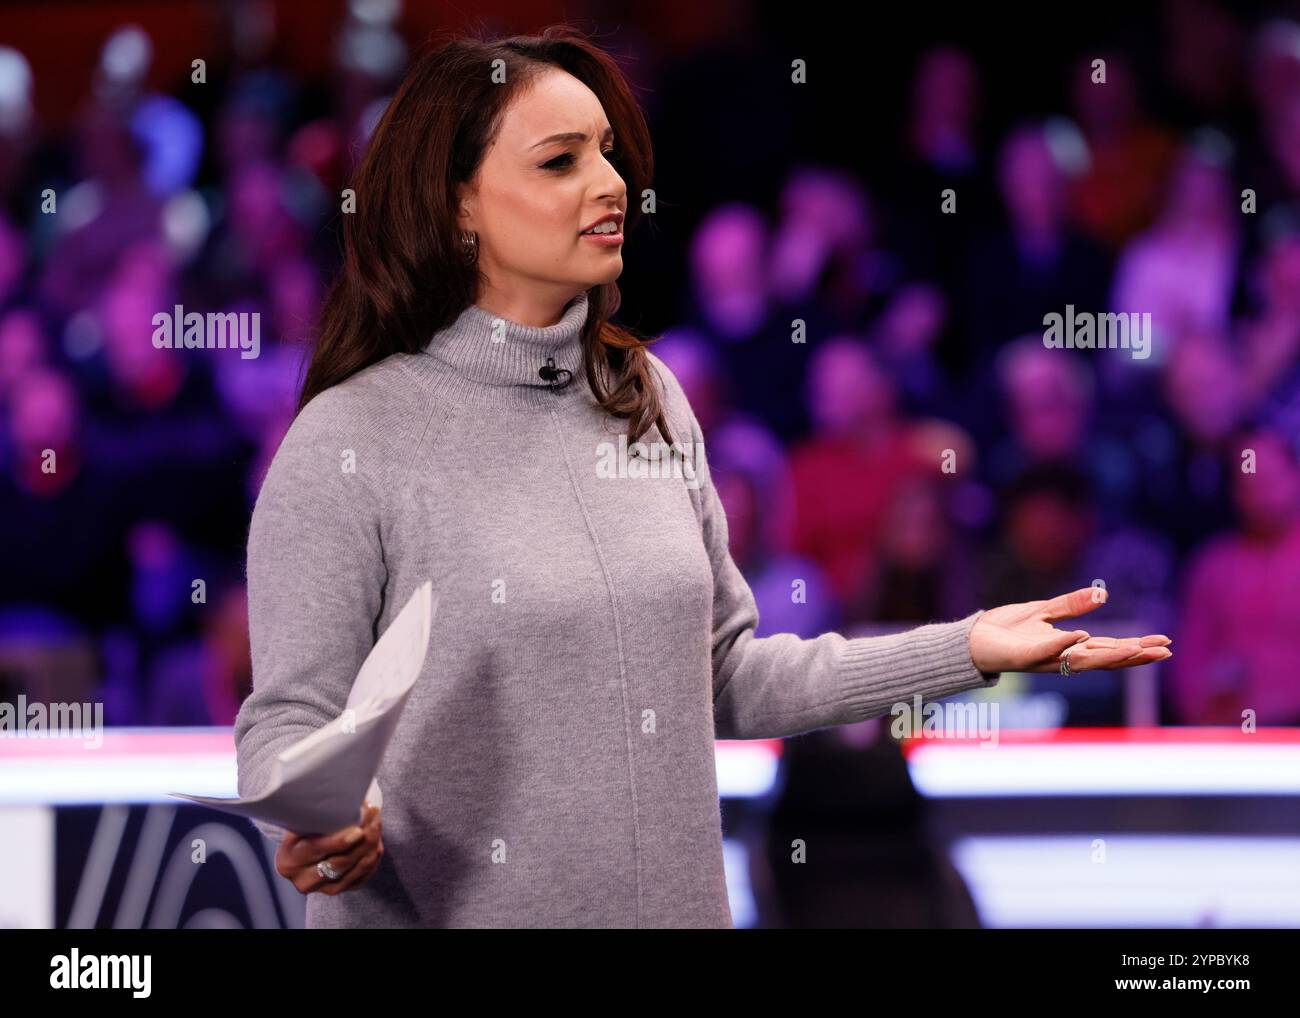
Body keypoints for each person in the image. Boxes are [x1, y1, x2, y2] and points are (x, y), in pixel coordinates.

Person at [233, 26, 1173, 929]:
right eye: (561, 161)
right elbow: (285, 726)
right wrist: (322, 815)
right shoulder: (350, 439)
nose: (611, 184)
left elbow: (725, 677)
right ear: (457, 205)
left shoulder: (646, 394)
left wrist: (965, 650)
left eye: (607, 151)